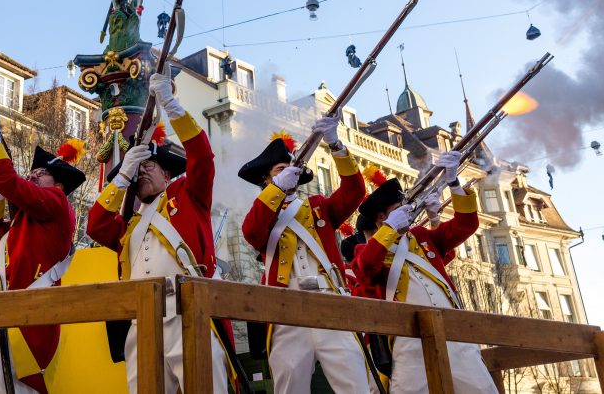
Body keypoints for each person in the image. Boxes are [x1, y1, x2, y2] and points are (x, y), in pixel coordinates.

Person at [86, 72, 232, 394]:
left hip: (189, 311)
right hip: (144, 321)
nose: (142, 171)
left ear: (167, 172)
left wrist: (170, 104)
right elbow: (95, 226)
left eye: (148, 165)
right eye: (139, 168)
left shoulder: (187, 195)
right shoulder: (130, 226)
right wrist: (121, 177)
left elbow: (203, 157)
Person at [239, 118, 374, 394]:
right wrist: (277, 190)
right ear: (267, 178)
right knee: (289, 387)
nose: (289, 172)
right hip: (285, 309)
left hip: (331, 303)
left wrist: (335, 145)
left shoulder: (318, 207)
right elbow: (252, 232)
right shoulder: (263, 210)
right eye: (280, 170)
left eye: (291, 168)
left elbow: (355, 192)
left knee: (355, 384)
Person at [353, 151, 497, 394]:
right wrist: (389, 229)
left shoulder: (421, 237)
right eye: (398, 209)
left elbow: (466, 225)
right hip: (408, 341)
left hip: (454, 331)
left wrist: (454, 183)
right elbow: (367, 266)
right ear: (382, 218)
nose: (407, 212)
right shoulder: (368, 248)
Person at [0, 102, 85, 394]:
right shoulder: (26, 219)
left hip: (27, 320)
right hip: (4, 316)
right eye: (32, 171)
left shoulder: (56, 202)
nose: (34, 175)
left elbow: (13, 184)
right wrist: (2, 188)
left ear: (57, 185)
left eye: (42, 173)